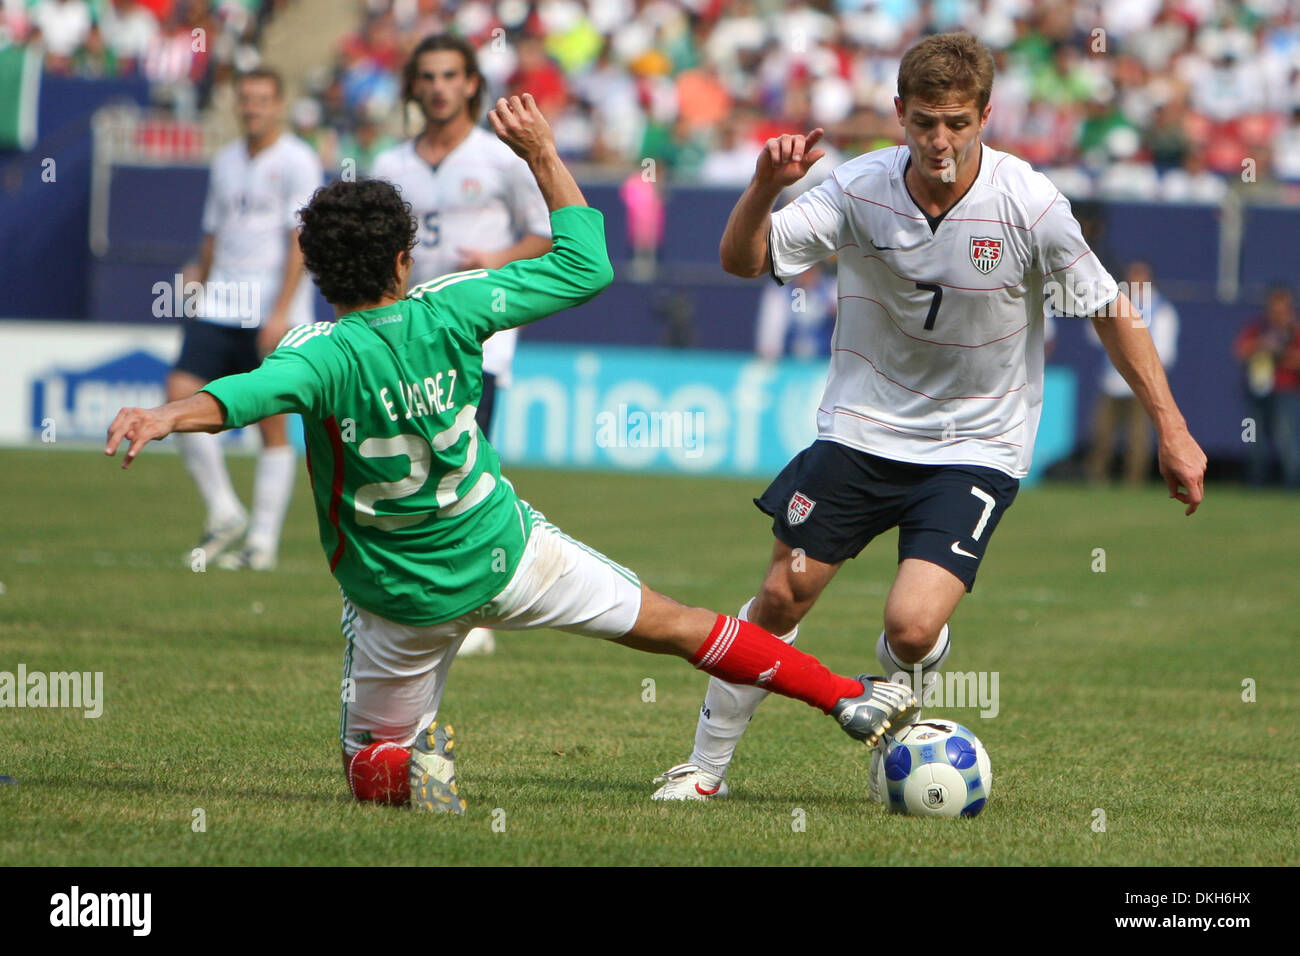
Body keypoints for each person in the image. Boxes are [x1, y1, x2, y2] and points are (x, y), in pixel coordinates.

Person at [105, 94, 920, 815]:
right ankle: (847, 695)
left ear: (318, 273)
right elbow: (586, 262)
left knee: (364, 768)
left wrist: (166, 414)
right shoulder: (451, 304)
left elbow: (238, 397)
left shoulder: (318, 353)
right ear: (402, 259)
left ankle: (410, 764)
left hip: (400, 598)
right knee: (680, 624)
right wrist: (539, 152)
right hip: (506, 552)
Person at [652, 32, 1207, 802]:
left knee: (912, 628)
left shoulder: (1031, 203)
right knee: (782, 595)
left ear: (986, 115)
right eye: (923, 122)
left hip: (976, 443)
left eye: (956, 122)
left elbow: (1113, 311)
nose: (939, 140)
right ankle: (705, 769)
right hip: (861, 429)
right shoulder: (858, 186)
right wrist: (761, 188)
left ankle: (896, 691)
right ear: (898, 116)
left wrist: (1174, 431)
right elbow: (744, 261)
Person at [370, 34, 553, 655]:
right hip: (407, 335)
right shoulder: (391, 165)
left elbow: (547, 235)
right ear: (413, 86)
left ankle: (473, 612)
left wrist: (497, 259)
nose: (439, 87)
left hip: (482, 333)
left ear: (472, 83)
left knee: (466, 468)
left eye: (451, 75)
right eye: (427, 76)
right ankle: (418, 600)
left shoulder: (501, 158)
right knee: (412, 469)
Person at [169, 67, 323, 571]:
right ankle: (223, 509)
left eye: (262, 99)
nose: (253, 108)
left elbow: (299, 241)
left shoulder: (299, 160)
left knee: (271, 423)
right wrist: (199, 277)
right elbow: (214, 231)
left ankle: (262, 542)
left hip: (269, 309)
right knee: (180, 390)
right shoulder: (225, 161)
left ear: (278, 105)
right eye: (246, 99)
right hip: (220, 301)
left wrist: (281, 311)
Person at [1085, 261, 1180, 485]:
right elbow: (1093, 333)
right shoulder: (1116, 300)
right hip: (1112, 380)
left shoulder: (1161, 310)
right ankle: (1096, 477)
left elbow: (1165, 352)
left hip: (1139, 384)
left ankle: (1134, 481)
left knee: (1138, 437)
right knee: (1101, 432)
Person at [1233, 285, 1300, 487]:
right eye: (1274, 310)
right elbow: (1240, 352)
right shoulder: (1258, 329)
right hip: (1258, 392)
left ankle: (1292, 484)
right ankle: (1255, 482)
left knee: (1286, 438)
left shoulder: (1295, 332)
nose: (1277, 315)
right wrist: (1263, 345)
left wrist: (1279, 354)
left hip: (1285, 392)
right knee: (1253, 438)